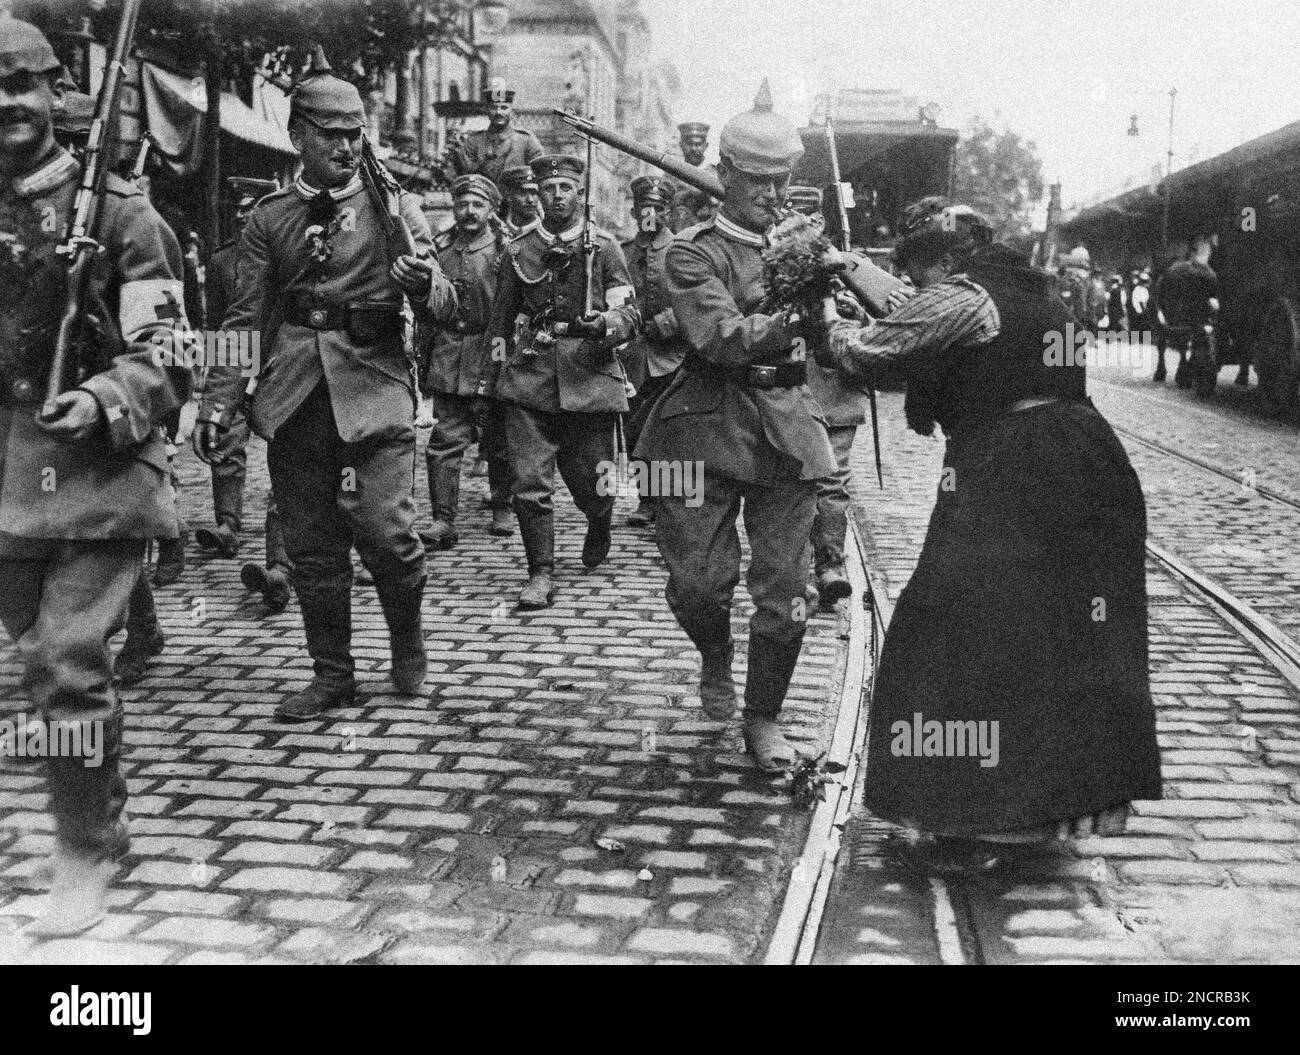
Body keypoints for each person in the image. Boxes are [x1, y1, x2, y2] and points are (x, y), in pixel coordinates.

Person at [818, 196, 1161, 873]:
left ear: (948, 260)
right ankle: (1045, 809)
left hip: (1015, 467)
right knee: (1063, 634)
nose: (915, 287)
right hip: (1086, 456)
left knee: (956, 628)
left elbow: (870, 350)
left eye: (919, 274)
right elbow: (923, 327)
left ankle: (976, 817)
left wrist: (825, 315)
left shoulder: (966, 297)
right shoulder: (1034, 288)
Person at [0, 17, 192, 933]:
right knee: (41, 662)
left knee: (65, 664)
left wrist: (111, 394)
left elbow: (170, 346)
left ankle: (79, 848)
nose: (7, 106)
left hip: (95, 470)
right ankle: (103, 817)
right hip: (5, 475)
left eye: (22, 86)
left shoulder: (119, 213)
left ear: (56, 99)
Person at [195, 61, 457, 720]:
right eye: (331, 134)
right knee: (312, 544)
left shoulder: (396, 208)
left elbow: (450, 301)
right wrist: (220, 399)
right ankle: (332, 672)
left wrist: (423, 285)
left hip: (376, 383)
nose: (346, 147)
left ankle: (406, 634)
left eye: (355, 134)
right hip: (295, 394)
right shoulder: (270, 218)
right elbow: (242, 316)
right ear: (298, 134)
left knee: (387, 534)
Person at [635, 81, 849, 772]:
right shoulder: (689, 251)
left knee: (787, 592)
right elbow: (722, 337)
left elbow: (825, 347)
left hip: (787, 427)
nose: (770, 193)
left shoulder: (804, 244)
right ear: (724, 176)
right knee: (698, 585)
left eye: (782, 180)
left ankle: (763, 716)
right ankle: (715, 651)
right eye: (756, 180)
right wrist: (795, 300)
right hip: (704, 426)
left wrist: (832, 300)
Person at [481, 153, 639, 609]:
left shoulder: (605, 248)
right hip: (530, 376)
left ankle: (600, 519)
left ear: (579, 193)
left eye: (565, 188)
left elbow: (628, 313)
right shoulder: (518, 249)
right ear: (536, 194)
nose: (555, 196)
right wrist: (489, 380)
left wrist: (604, 324)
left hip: (589, 376)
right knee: (530, 482)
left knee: (592, 482)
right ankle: (540, 572)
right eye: (547, 189)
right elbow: (500, 320)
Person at [783, 184, 908, 607]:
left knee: (832, 483)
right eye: (793, 217)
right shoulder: (771, 259)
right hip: (783, 386)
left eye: (810, 220)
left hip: (833, 388)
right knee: (789, 484)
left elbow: (895, 316)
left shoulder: (850, 266)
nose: (801, 226)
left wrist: (854, 310)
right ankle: (791, 568)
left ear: (821, 222)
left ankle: (830, 565)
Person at [418, 173, 513, 548]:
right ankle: (444, 520)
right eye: (462, 204)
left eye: (477, 205)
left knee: (498, 437)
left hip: (491, 350)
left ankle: (503, 505)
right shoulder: (440, 249)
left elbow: (512, 313)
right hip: (448, 354)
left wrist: (502, 364)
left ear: (491, 210)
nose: (469, 211)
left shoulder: (505, 253)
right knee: (444, 440)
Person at [621, 174, 679, 529]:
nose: (650, 214)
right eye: (644, 208)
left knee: (675, 430)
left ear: (668, 213)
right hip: (633, 357)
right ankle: (647, 498)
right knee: (635, 429)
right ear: (633, 210)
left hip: (674, 355)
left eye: (657, 208)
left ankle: (676, 502)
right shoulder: (622, 253)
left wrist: (668, 323)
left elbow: (697, 300)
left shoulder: (683, 250)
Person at [448, 82, 543, 190]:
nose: (498, 112)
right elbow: (464, 176)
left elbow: (540, 172)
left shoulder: (526, 140)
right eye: (494, 107)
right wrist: (458, 156)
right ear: (486, 110)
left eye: (504, 108)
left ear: (511, 111)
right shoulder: (473, 141)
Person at [1153, 235, 1218, 385]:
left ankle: (1166, 365)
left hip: (1181, 316)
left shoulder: (1171, 272)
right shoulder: (1209, 273)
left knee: (1168, 327)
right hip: (1202, 315)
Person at [499, 163, 541, 238]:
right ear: (509, 196)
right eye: (523, 193)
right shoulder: (498, 230)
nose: (530, 200)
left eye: (534, 193)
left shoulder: (546, 232)